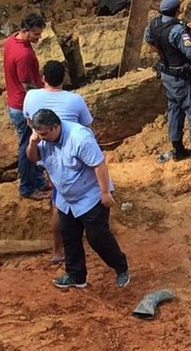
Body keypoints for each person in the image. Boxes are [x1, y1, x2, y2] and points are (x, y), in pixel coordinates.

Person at [27, 109, 131, 290]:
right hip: (66, 199)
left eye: (44, 134)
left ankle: (121, 268)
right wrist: (33, 143)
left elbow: (98, 164)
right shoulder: (41, 139)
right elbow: (32, 158)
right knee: (69, 236)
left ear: (55, 127)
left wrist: (105, 193)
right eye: (39, 133)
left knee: (97, 237)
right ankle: (76, 276)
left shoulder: (79, 137)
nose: (41, 137)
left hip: (90, 196)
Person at [23, 60, 94, 265]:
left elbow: (30, 122)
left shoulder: (31, 96)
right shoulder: (75, 100)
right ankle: (84, 236)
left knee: (59, 200)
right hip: (71, 153)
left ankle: (57, 250)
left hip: (47, 155)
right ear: (64, 78)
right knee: (71, 200)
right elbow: (88, 128)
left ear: (43, 78)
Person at [144, 0, 191, 162]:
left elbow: (149, 40)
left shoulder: (155, 23)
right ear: (178, 10)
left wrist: (164, 54)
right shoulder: (178, 30)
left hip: (166, 75)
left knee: (175, 110)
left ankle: (178, 149)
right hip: (182, 78)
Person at [4, 12, 48, 199]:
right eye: (36, 34)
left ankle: (38, 180)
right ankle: (27, 188)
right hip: (23, 106)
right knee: (27, 147)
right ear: (24, 30)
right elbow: (27, 86)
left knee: (32, 144)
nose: (39, 38)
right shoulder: (24, 55)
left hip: (14, 101)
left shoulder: (11, 41)